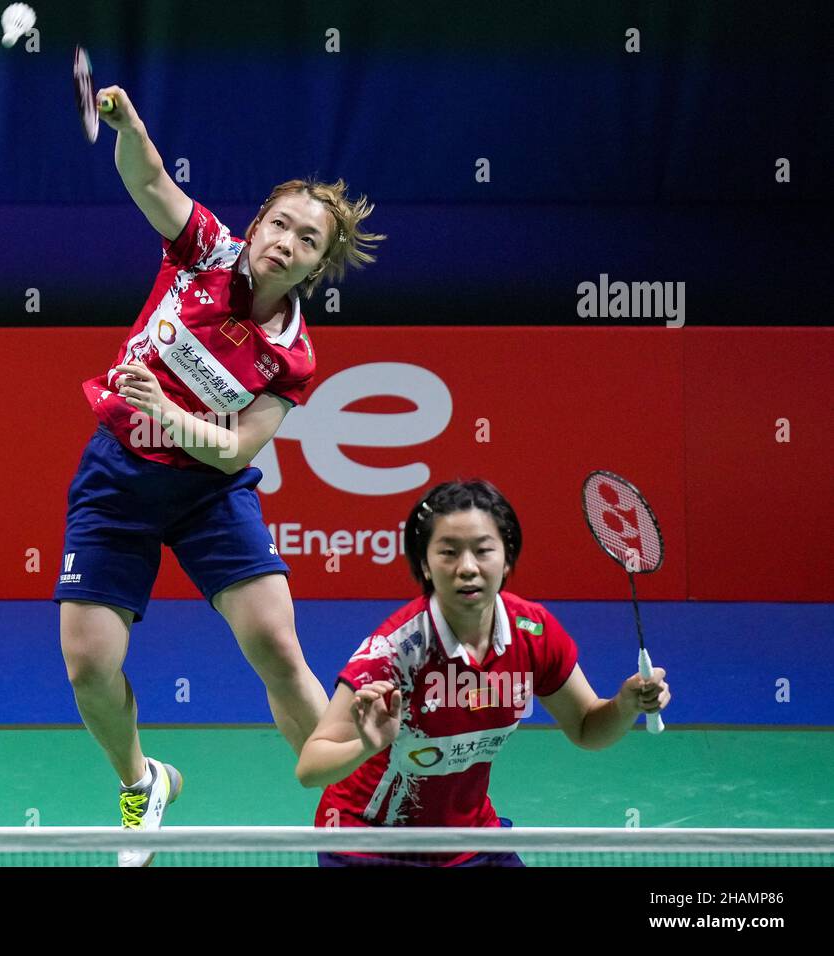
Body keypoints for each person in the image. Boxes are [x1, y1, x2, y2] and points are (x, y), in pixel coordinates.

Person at [54, 84, 385, 865]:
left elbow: (237, 451)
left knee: (275, 641)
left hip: (209, 492)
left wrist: (166, 416)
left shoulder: (294, 354)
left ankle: (359, 810)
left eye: (307, 238)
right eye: (280, 223)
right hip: (118, 476)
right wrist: (130, 128)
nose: (286, 242)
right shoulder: (205, 250)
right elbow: (148, 181)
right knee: (89, 666)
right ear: (259, 222)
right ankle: (142, 781)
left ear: (318, 262)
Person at [295, 479, 671, 866]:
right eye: (449, 553)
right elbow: (310, 767)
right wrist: (367, 746)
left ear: (507, 558)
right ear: (424, 563)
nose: (468, 568)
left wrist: (626, 706)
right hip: (369, 845)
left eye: (483, 550)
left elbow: (588, 728)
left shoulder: (533, 632)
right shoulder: (396, 652)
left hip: (468, 840)